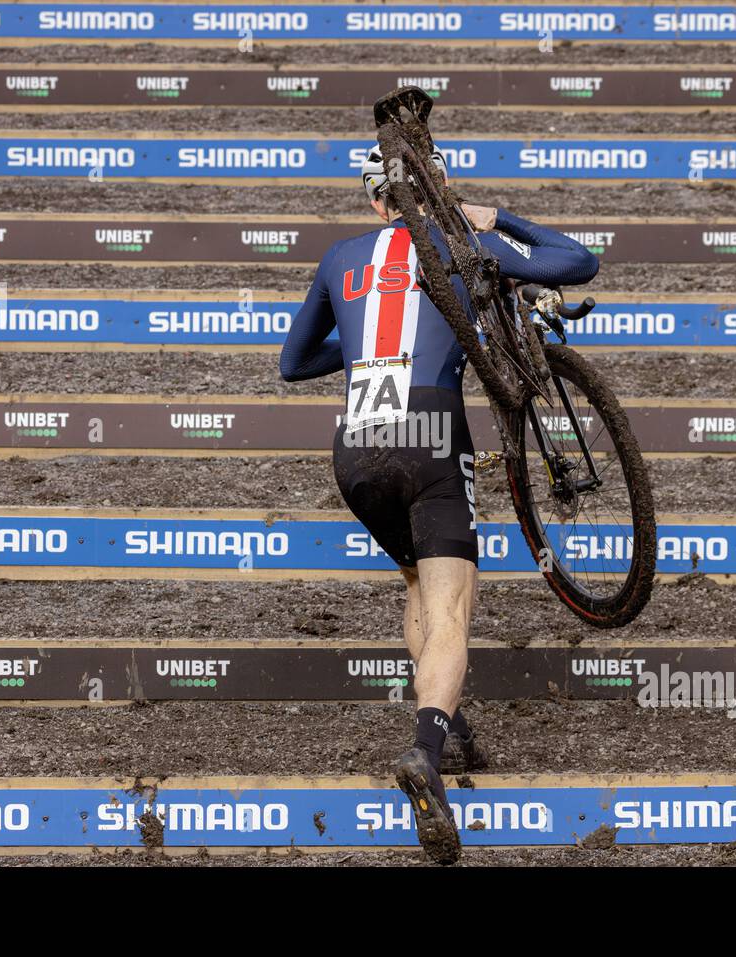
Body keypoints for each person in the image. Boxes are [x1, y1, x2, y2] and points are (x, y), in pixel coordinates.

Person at [279, 141, 599, 864]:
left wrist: (363, 340)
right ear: (437, 188)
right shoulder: (462, 244)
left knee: (421, 579)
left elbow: (292, 362)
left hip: (356, 444)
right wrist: (497, 217)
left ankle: (447, 727)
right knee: (453, 603)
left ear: (374, 201)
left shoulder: (341, 257)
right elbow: (578, 262)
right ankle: (426, 745)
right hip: (428, 428)